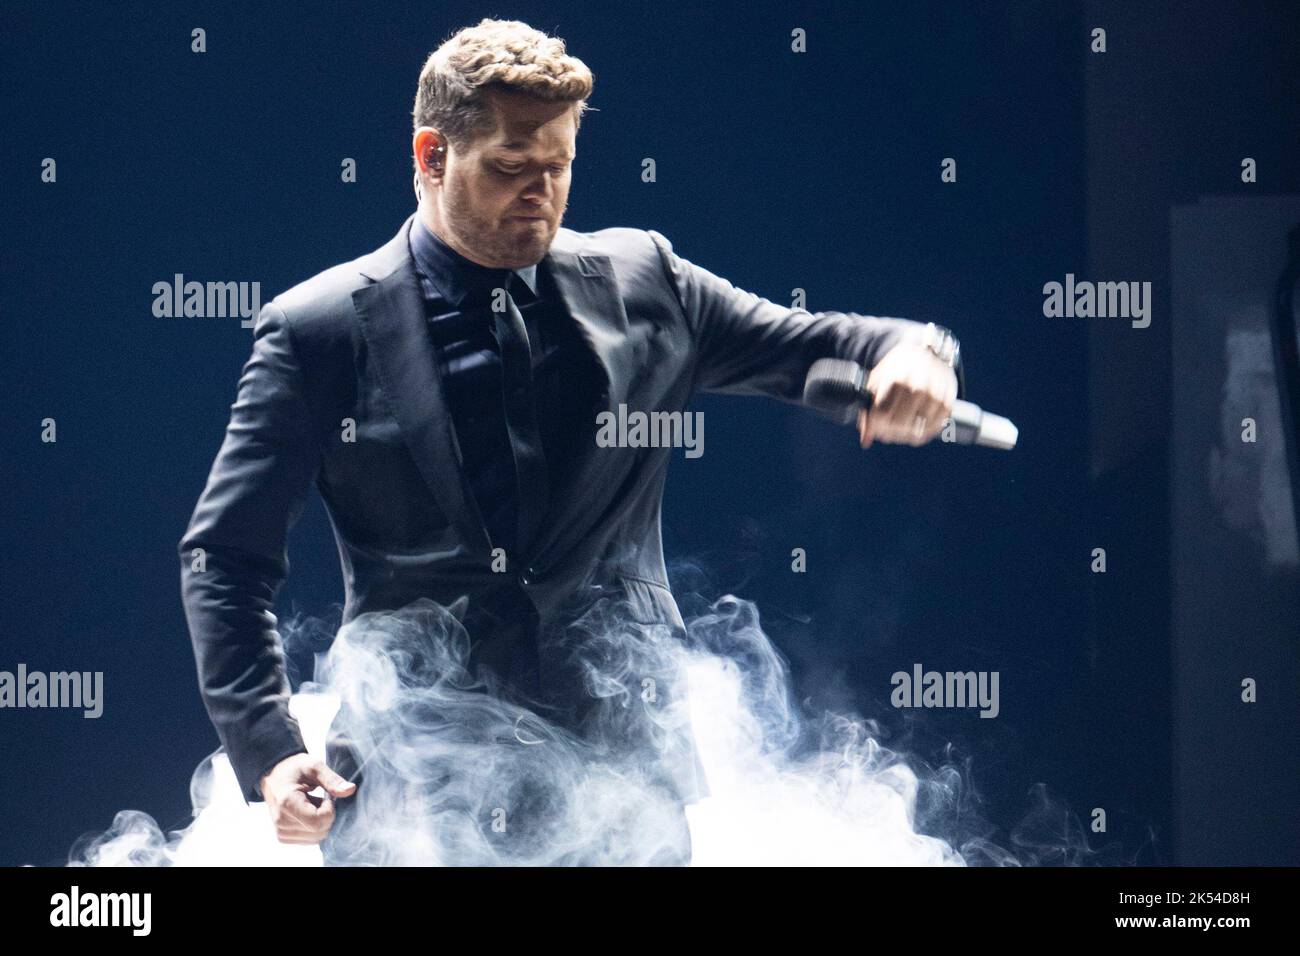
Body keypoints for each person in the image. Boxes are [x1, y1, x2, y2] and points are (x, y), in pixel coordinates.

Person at [178, 17, 962, 862]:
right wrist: (271, 748)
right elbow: (225, 557)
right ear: (430, 155)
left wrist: (914, 354)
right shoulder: (318, 330)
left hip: (626, 778)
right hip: (411, 794)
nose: (540, 191)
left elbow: (821, 341)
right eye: (511, 166)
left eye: (558, 166)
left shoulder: (644, 278)